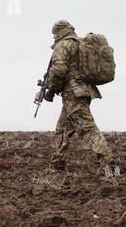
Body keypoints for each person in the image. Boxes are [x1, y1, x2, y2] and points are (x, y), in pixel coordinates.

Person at [41, 20, 112, 173]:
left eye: (54, 33)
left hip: (73, 93)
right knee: (63, 129)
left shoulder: (63, 45)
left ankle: (108, 162)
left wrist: (51, 89)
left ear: (59, 32)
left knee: (87, 129)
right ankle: (57, 164)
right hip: (81, 91)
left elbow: (59, 70)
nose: (53, 37)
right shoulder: (79, 43)